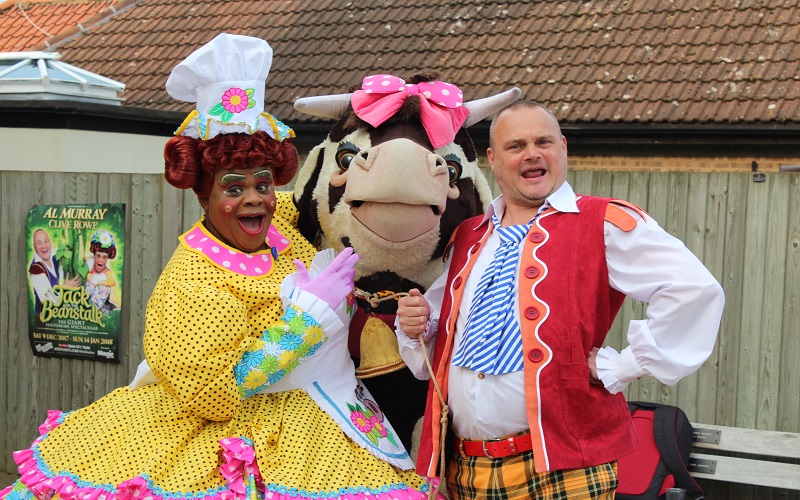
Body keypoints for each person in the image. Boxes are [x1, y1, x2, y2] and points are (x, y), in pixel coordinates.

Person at [2, 34, 437, 500]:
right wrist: (308, 318)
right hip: (235, 439)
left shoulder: (280, 228)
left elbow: (318, 202)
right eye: (233, 188)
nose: (254, 198)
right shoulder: (193, 280)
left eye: (263, 184)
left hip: (332, 420)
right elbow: (217, 392)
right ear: (203, 195)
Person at [395, 100, 725, 499]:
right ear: (494, 160)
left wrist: (622, 366)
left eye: (544, 142)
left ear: (563, 148)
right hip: (466, 468)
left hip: (564, 471)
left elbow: (693, 288)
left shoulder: (602, 221)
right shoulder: (468, 236)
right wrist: (417, 326)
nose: (533, 153)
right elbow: (435, 339)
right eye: (517, 146)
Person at [28, 228, 80, 316]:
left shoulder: (56, 256)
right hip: (45, 321)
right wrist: (67, 287)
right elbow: (48, 302)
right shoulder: (36, 269)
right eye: (39, 243)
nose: (44, 246)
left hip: (61, 316)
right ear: (34, 246)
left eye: (46, 241)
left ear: (50, 242)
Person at [84, 229, 121, 313]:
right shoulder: (89, 262)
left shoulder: (107, 278)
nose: (100, 260)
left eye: (104, 257)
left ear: (108, 258)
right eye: (98, 256)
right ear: (94, 255)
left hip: (97, 315)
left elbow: (94, 305)